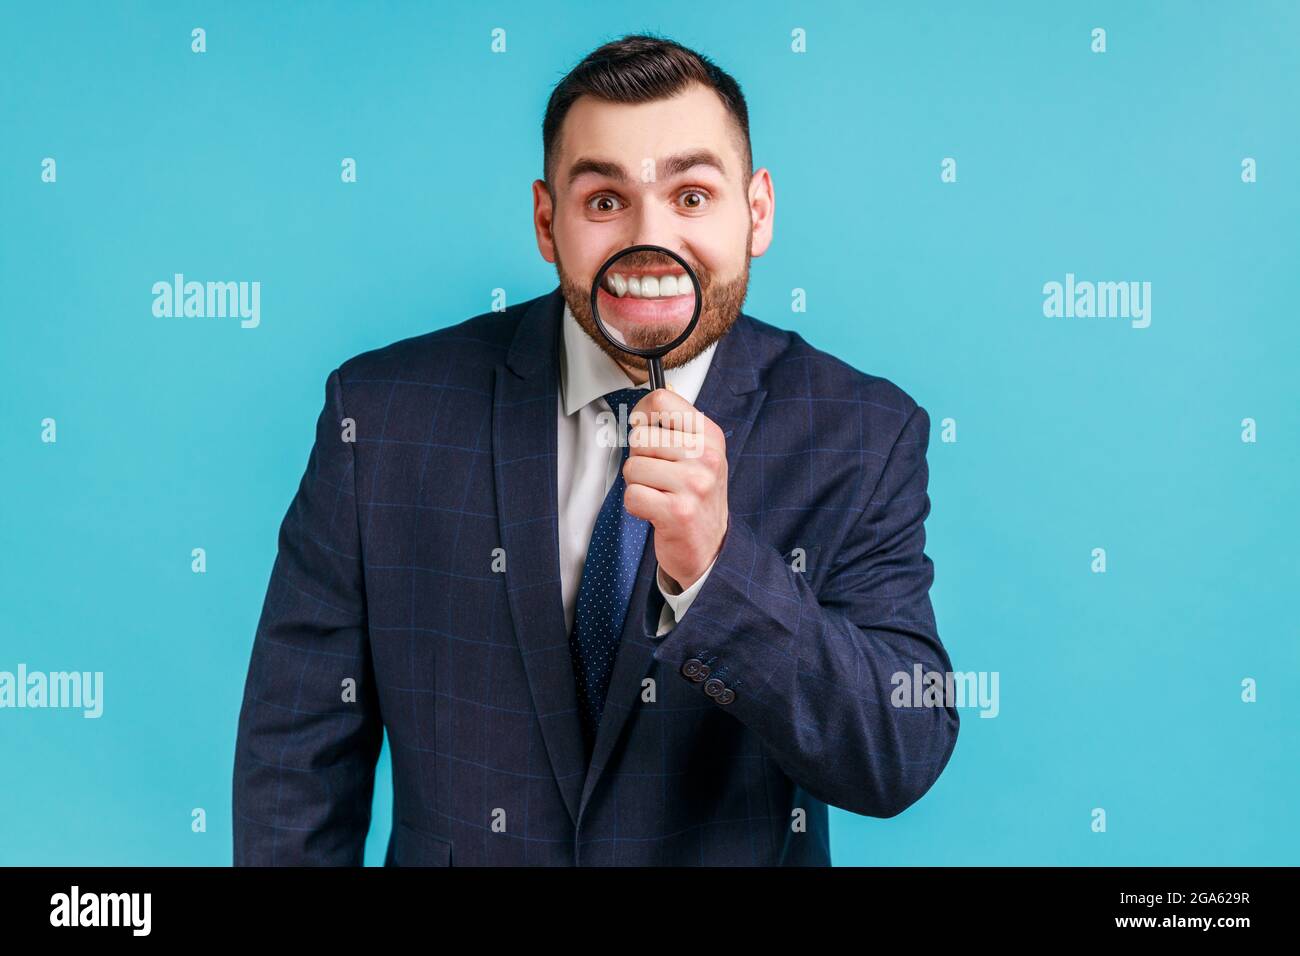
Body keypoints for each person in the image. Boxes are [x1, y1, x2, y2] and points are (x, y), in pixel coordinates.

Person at [233, 33, 958, 866]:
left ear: (757, 211)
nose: (649, 243)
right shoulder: (379, 416)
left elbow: (901, 751)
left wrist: (718, 569)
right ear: (547, 222)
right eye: (604, 201)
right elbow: (292, 759)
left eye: (691, 196)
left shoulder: (863, 433)